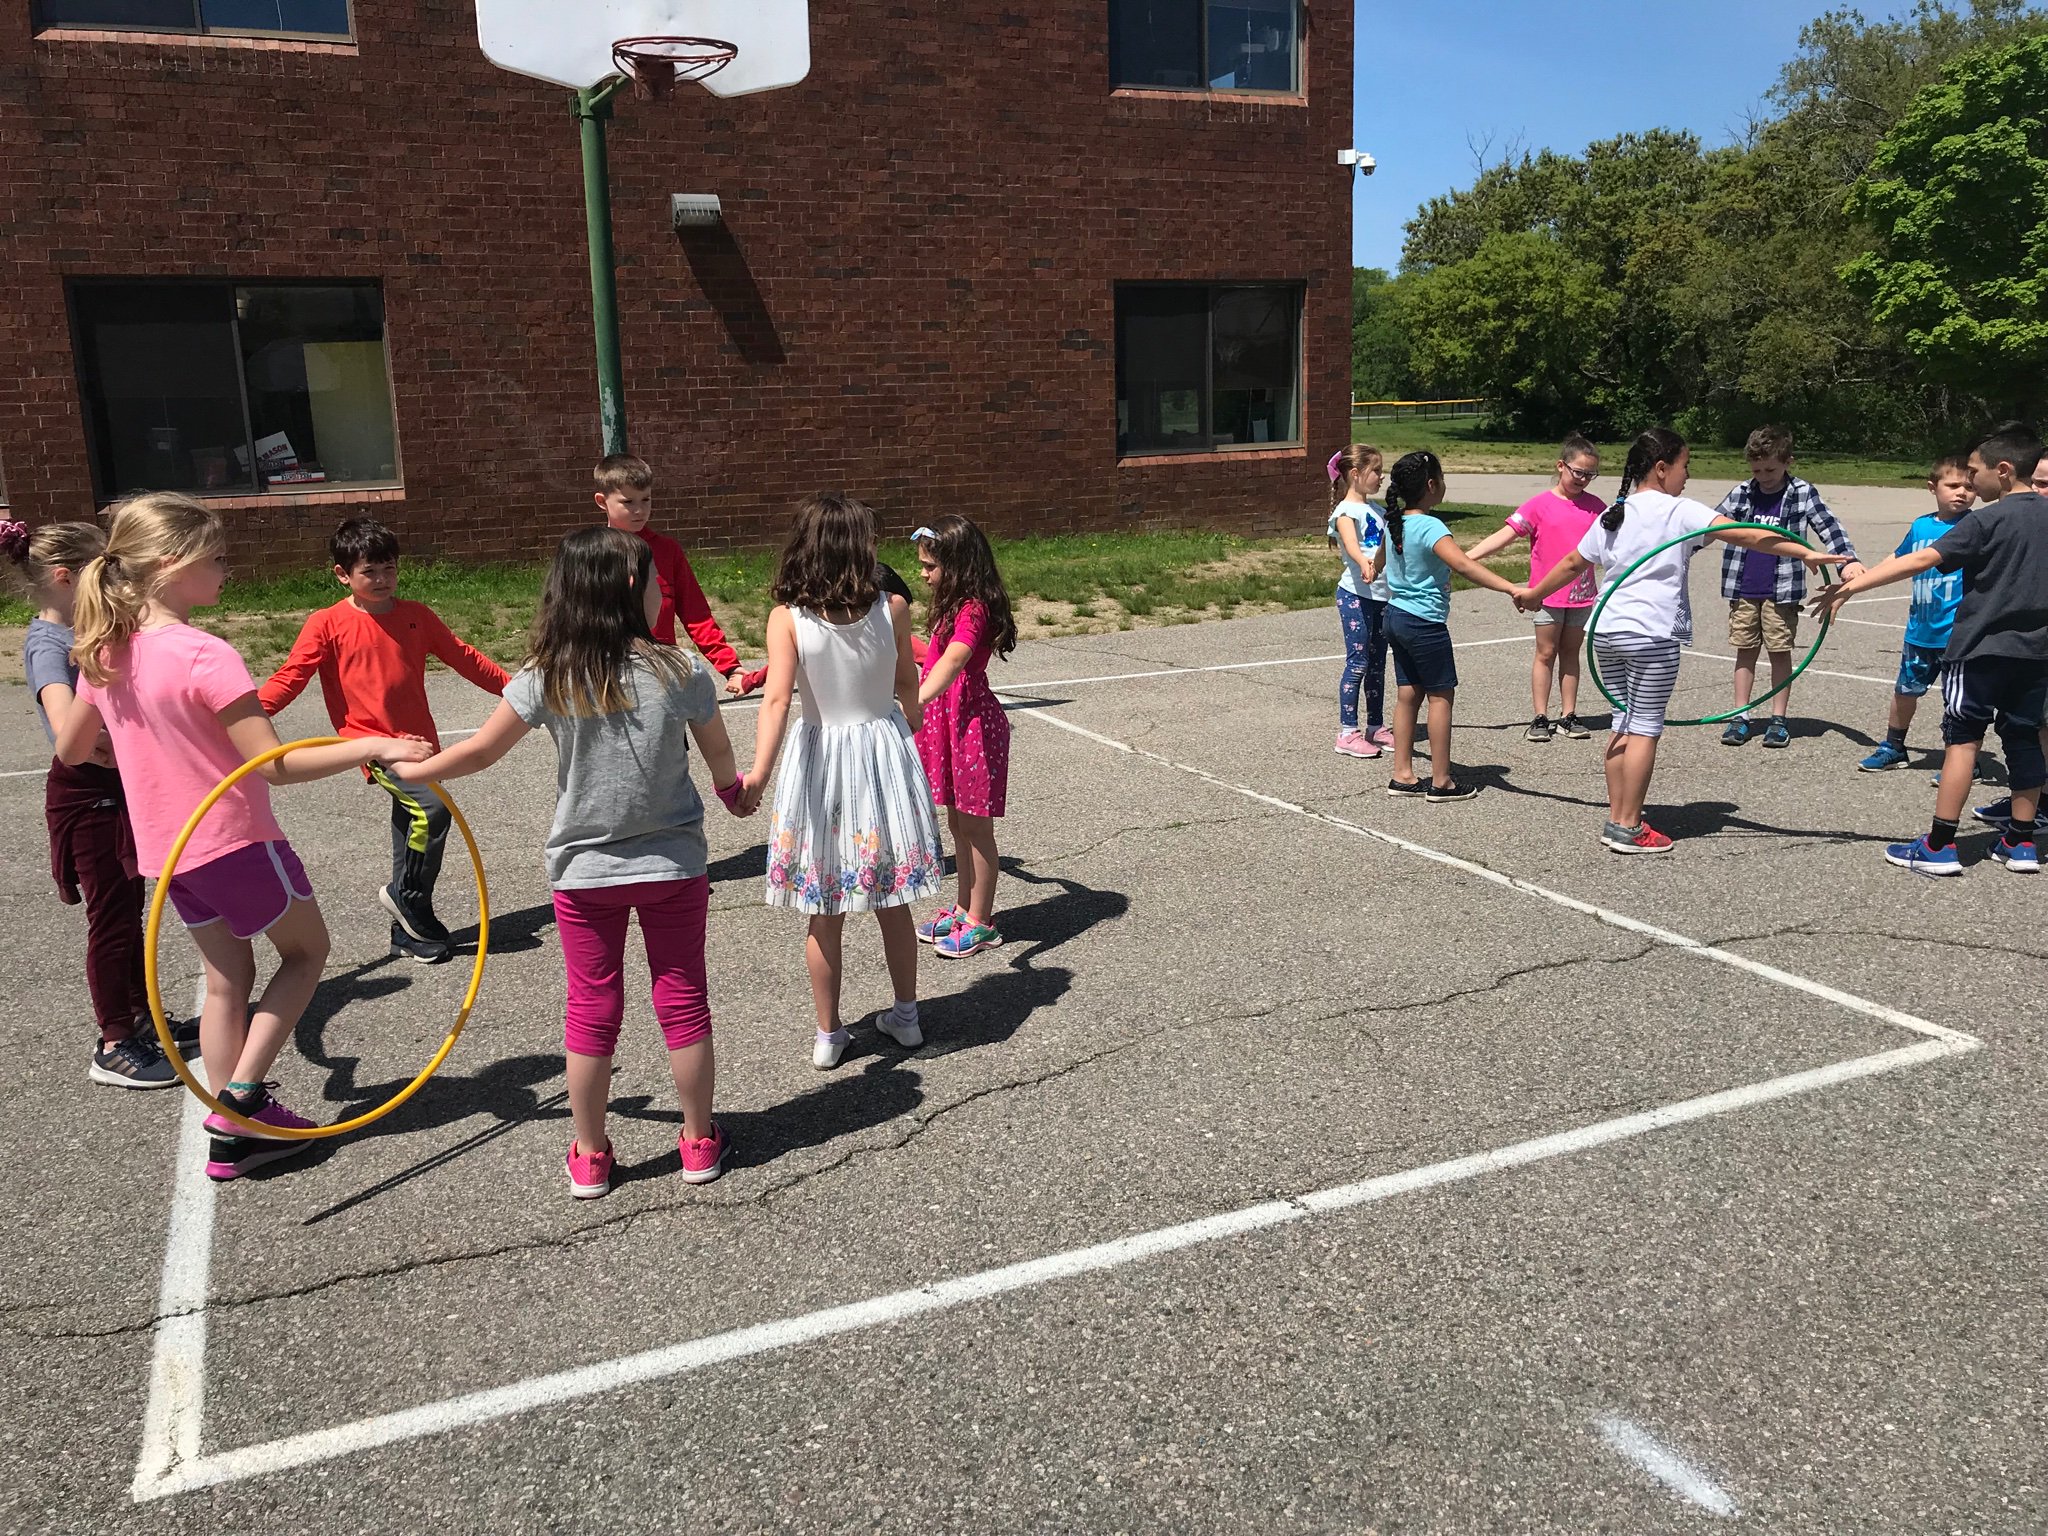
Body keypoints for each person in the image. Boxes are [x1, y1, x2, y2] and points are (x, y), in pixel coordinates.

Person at [53, 493, 429, 1180]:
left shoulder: (107, 650)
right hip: (234, 838)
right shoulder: (206, 654)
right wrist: (370, 744)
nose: (228, 570)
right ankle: (244, 1101)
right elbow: (276, 765)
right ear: (171, 564)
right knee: (307, 953)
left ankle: (234, 1129)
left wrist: (145, 752)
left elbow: (74, 747)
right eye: (217, 558)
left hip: (166, 852)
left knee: (227, 979)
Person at [389, 527, 748, 1193]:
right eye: (652, 582)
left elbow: (481, 752)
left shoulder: (548, 676)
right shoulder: (681, 669)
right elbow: (720, 755)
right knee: (684, 1000)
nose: (660, 590)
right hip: (672, 867)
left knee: (592, 1006)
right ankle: (699, 1142)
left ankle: (590, 1153)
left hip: (584, 874)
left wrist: (418, 767)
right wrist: (733, 793)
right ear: (625, 594)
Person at [1522, 428, 1844, 854]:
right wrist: (1803, 552)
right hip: (1651, 634)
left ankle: (1618, 817)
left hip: (1606, 632)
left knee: (1624, 721)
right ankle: (1630, 826)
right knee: (1645, 728)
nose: (1688, 475)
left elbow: (1570, 562)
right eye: (1684, 465)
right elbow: (1747, 533)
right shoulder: (1678, 511)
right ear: (1661, 468)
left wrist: (1534, 593)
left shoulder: (1614, 514)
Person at [742, 493, 944, 1069]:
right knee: (892, 899)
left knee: (822, 905)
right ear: (862, 548)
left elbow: (777, 699)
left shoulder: (788, 618)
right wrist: (913, 720)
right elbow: (909, 681)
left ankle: (828, 1033)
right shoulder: (893, 607)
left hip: (821, 758)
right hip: (881, 751)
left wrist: (758, 771)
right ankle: (906, 1015)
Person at [258, 518, 508, 964]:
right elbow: (291, 677)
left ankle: (406, 929)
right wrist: (245, 716)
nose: (381, 580)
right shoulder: (326, 623)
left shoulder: (416, 616)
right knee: (431, 812)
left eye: (388, 570)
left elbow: (464, 657)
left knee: (410, 823)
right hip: (373, 746)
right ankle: (407, 897)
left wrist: (517, 691)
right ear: (342, 574)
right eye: (369, 572)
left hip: (420, 743)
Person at [9, 518, 199, 1089]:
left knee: (129, 908)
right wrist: (132, 753)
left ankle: (139, 1015)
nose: (117, 584)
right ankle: (114, 1040)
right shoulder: (50, 645)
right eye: (106, 573)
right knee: (111, 918)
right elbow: (69, 729)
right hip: (87, 796)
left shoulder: (88, 630)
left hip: (114, 789)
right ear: (69, 579)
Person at [1812, 423, 2048, 875]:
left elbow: (1921, 560)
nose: (1970, 479)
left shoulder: (1985, 519)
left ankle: (1939, 846)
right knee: (2022, 740)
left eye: (1974, 471)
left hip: (1978, 651)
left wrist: (1853, 586)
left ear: (2001, 471)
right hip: (2035, 654)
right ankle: (2020, 844)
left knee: (1962, 741)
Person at [1374, 450, 1524, 802]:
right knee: (1441, 696)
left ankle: (1403, 775)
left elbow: (1379, 559)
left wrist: (1372, 567)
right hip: (1424, 623)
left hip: (1395, 616)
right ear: (1431, 485)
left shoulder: (1394, 522)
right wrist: (1510, 587)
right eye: (1442, 479)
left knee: (1408, 694)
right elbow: (1464, 565)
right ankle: (1442, 781)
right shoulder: (1430, 526)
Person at [1714, 425, 1864, 747]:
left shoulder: (1800, 493)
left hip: (1781, 589)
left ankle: (1778, 719)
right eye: (1756, 469)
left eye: (1770, 468)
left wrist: (1847, 561)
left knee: (1779, 652)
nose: (1763, 475)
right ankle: (1740, 715)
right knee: (1745, 652)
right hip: (1743, 586)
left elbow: (1829, 526)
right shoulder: (1742, 492)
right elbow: (1709, 526)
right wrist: (1679, 550)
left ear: (1787, 462)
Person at [911, 514, 1017, 955]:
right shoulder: (953, 608)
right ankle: (962, 908)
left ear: (955, 566)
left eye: (929, 566)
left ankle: (982, 920)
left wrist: (914, 700)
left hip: (971, 726)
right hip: (951, 725)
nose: (923, 574)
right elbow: (934, 654)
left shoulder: (973, 609)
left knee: (977, 830)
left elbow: (953, 661)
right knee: (957, 822)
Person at [1465, 433, 1606, 741]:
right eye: (1578, 471)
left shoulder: (1597, 508)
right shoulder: (1539, 505)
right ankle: (1540, 716)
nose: (1583, 479)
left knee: (1571, 653)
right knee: (1545, 652)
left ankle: (1568, 714)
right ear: (1561, 466)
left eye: (1589, 474)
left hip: (1581, 597)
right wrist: (1465, 558)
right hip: (1546, 595)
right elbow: (1504, 536)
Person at [593, 453, 755, 696]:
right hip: (605, 680)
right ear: (601, 501)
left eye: (646, 499)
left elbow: (696, 614)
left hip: (661, 676)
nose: (640, 510)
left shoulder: (667, 551)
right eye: (628, 502)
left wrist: (729, 665)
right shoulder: (588, 554)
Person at [1855, 457, 1975, 771]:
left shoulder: (1975, 527)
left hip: (1959, 634)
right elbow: (1898, 557)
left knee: (1957, 702)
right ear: (1932, 487)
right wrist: (1864, 577)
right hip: (1920, 631)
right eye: (1953, 485)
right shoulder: (1921, 525)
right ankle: (1894, 746)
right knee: (1905, 692)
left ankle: (1962, 758)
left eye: (1969, 487)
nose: (1961, 492)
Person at [1327, 443, 1392, 758]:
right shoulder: (1344, 511)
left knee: (1378, 664)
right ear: (1355, 474)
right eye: (1376, 470)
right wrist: (1365, 563)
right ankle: (1347, 731)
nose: (1381, 476)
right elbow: (1352, 544)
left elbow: (1387, 549)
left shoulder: (1378, 512)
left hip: (1381, 596)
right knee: (1358, 662)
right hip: (1355, 595)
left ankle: (1375, 726)